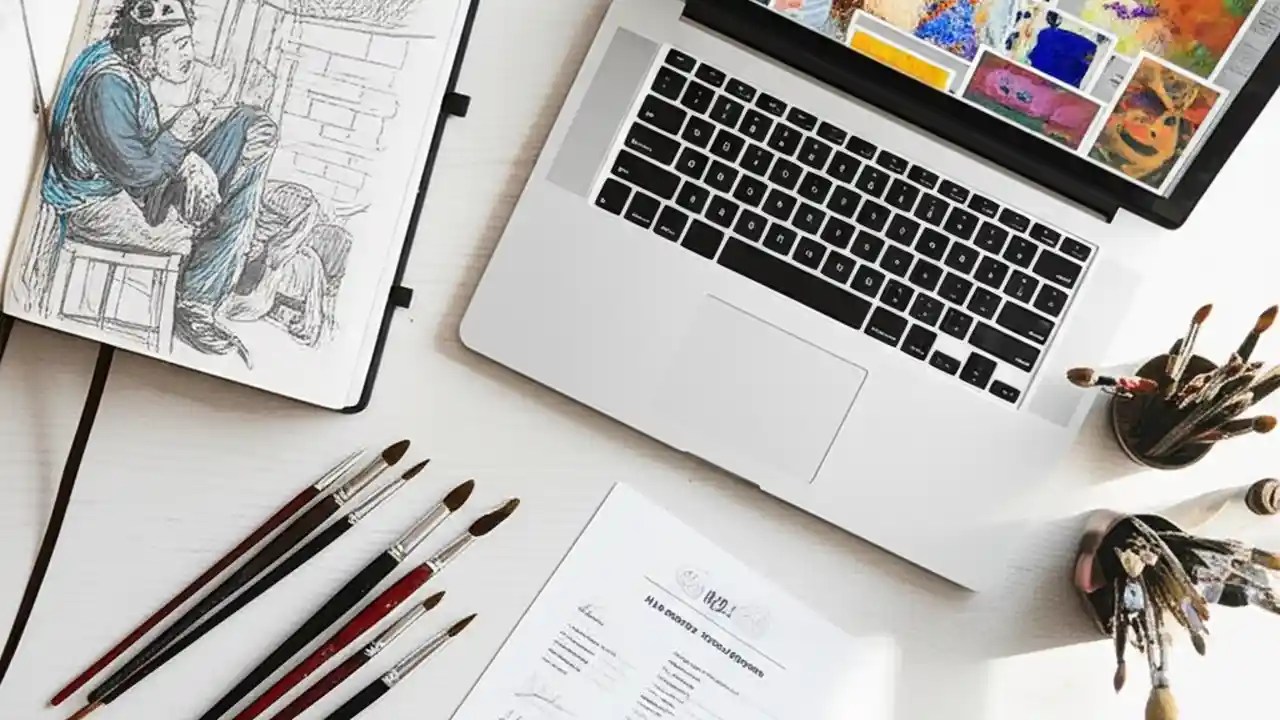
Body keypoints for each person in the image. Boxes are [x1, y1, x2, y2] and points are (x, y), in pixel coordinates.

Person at [41, 0, 278, 365]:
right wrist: (196, 130)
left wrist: (195, 149)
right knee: (231, 181)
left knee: (248, 126)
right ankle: (196, 303)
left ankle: (200, 295)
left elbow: (143, 149)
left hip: (130, 191)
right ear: (148, 46)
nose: (189, 54)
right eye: (180, 44)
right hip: (99, 206)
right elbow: (140, 170)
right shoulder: (108, 83)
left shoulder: (122, 71)